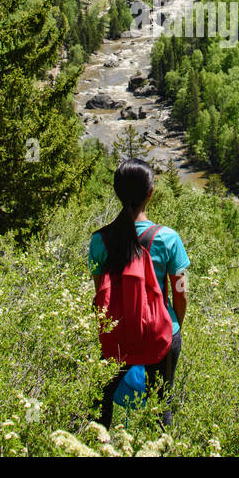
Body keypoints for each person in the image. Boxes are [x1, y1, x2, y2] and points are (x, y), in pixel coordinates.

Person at [89, 157, 189, 427]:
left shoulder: (99, 240)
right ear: (151, 193)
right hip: (162, 333)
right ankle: (162, 447)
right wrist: (177, 323)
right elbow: (180, 291)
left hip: (118, 333)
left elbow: (102, 293)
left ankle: (97, 444)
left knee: (100, 399)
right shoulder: (168, 238)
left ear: (117, 192)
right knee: (161, 405)